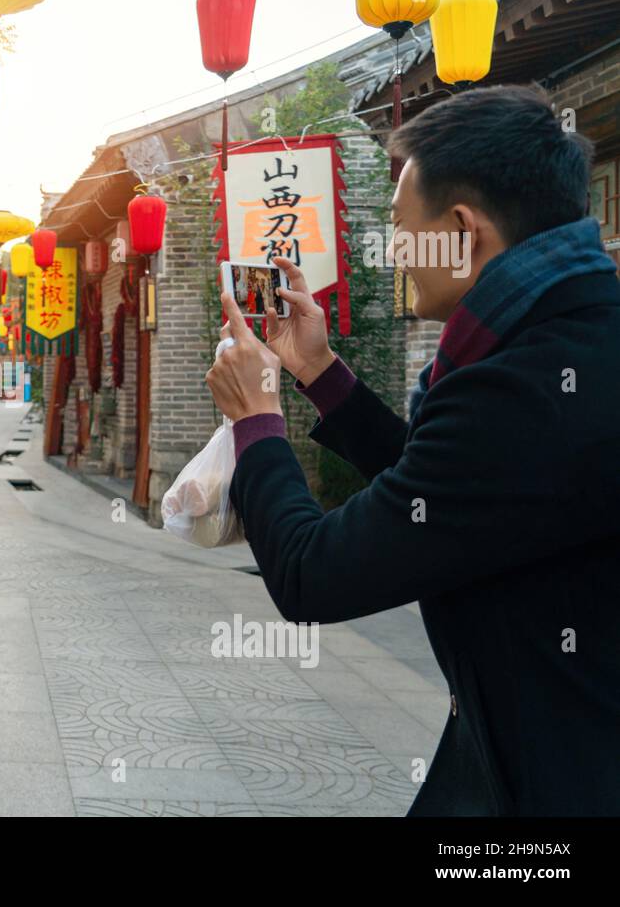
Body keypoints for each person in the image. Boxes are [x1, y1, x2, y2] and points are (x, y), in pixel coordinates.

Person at [205, 85, 620, 815]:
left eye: (402, 229)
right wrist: (319, 373)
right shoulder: (572, 336)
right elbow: (444, 489)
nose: (394, 251)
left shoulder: (524, 390)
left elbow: (315, 574)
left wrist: (256, 416)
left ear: (462, 231)